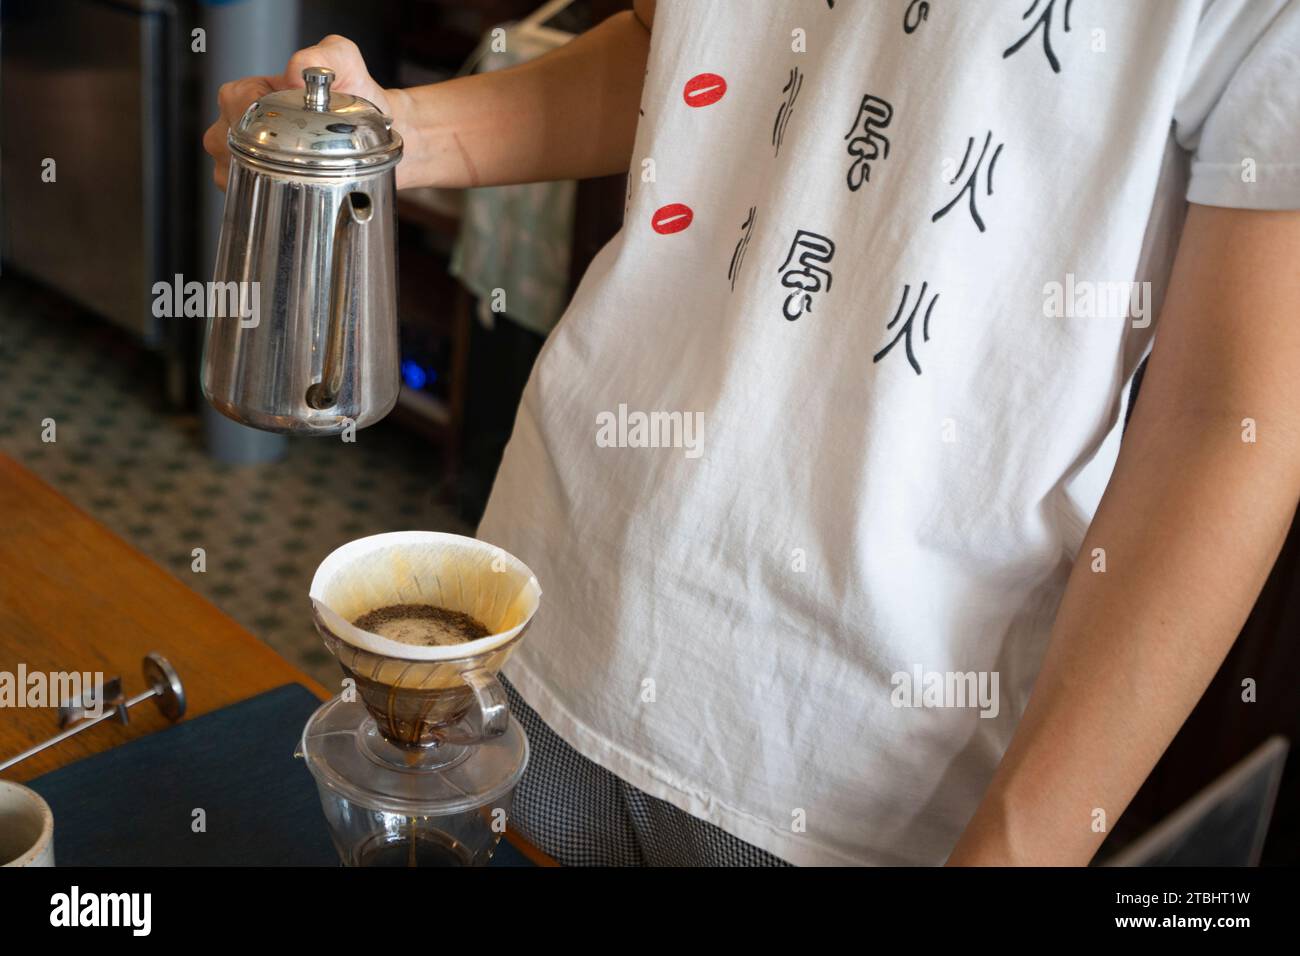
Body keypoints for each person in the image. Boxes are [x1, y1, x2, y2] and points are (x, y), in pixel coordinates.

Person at [205, 0, 1300, 866]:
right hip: (549, 620)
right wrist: (396, 131)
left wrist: (1020, 847)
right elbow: (683, 46)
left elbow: (1229, 416)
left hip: (855, 759)